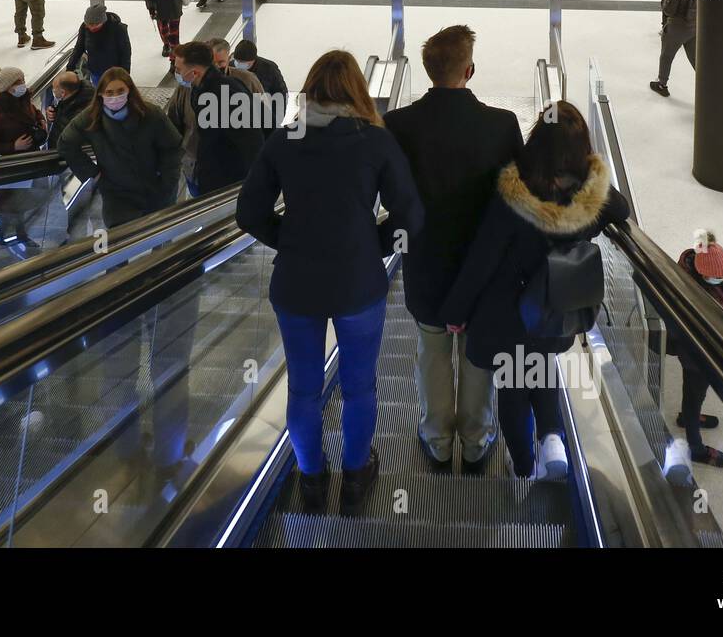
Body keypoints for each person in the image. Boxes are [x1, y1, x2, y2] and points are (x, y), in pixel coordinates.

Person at [237, 50, 423, 515]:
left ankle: (312, 482)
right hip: (357, 283)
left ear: (311, 89)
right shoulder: (375, 142)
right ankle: (356, 481)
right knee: (360, 386)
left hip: (296, 285)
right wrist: (373, 243)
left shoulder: (285, 139)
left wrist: (290, 239)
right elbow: (410, 216)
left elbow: (247, 214)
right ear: (356, 91)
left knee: (303, 388)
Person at [438, 102, 630, 480]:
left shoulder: (513, 195)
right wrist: (592, 176)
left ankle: (524, 466)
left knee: (513, 388)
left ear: (535, 143)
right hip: (557, 311)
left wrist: (455, 311)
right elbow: (620, 209)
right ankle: (552, 438)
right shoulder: (590, 199)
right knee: (541, 369)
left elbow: (482, 260)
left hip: (508, 314)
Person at [385, 27, 524, 471]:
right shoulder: (502, 125)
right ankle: (478, 441)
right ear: (470, 69)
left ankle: (437, 441)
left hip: (425, 264)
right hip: (484, 272)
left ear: (428, 71)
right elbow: (518, 202)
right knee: (479, 358)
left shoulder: (399, 125)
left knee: (432, 353)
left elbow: (392, 196)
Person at [57, 68, 183, 228]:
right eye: (109, 92)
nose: (115, 97)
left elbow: (172, 147)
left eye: (120, 91)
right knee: (122, 241)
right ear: (101, 93)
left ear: (129, 90)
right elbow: (66, 143)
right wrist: (92, 173)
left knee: (160, 234)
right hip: (116, 194)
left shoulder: (151, 114)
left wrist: (168, 181)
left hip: (156, 188)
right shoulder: (91, 117)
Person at [672, 234, 723, 468]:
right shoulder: (691, 295)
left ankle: (688, 418)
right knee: (694, 396)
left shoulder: (711, 274)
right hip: (698, 355)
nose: (721, 279)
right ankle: (695, 448)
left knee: (696, 394)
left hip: (708, 351)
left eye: (722, 275)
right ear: (701, 273)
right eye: (715, 276)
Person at [0, 65, 51, 256]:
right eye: (18, 82)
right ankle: (12, 237)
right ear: (7, 87)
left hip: (29, 164)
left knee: (22, 205)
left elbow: (34, 113)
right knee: (11, 207)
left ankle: (12, 236)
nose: (23, 84)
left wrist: (41, 121)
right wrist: (12, 147)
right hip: (8, 170)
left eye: (22, 79)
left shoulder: (24, 101)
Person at [172, 41, 265, 196]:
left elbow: (252, 141)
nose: (176, 73)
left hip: (226, 182)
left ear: (195, 73)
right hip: (205, 173)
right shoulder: (199, 89)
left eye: (178, 69)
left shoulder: (226, 95)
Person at [649, 0, 698, 97]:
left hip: (677, 27)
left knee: (666, 56)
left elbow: (669, 10)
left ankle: (662, 84)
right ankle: (707, 82)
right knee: (695, 57)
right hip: (694, 26)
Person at [66, 4, 131, 88]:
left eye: (96, 24)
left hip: (114, 73)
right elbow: (79, 48)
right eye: (89, 24)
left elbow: (125, 52)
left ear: (103, 21)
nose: (92, 27)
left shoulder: (118, 29)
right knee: (99, 95)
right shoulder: (84, 28)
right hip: (95, 71)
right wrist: (69, 67)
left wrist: (125, 74)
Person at [44, 70, 95, 150]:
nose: (53, 93)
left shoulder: (76, 118)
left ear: (63, 93)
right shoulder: (81, 94)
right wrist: (54, 111)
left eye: (54, 90)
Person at [232, 39, 288, 104]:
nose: (239, 64)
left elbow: (281, 94)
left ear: (253, 60)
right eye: (237, 61)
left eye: (244, 62)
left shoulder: (269, 69)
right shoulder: (230, 67)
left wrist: (276, 113)